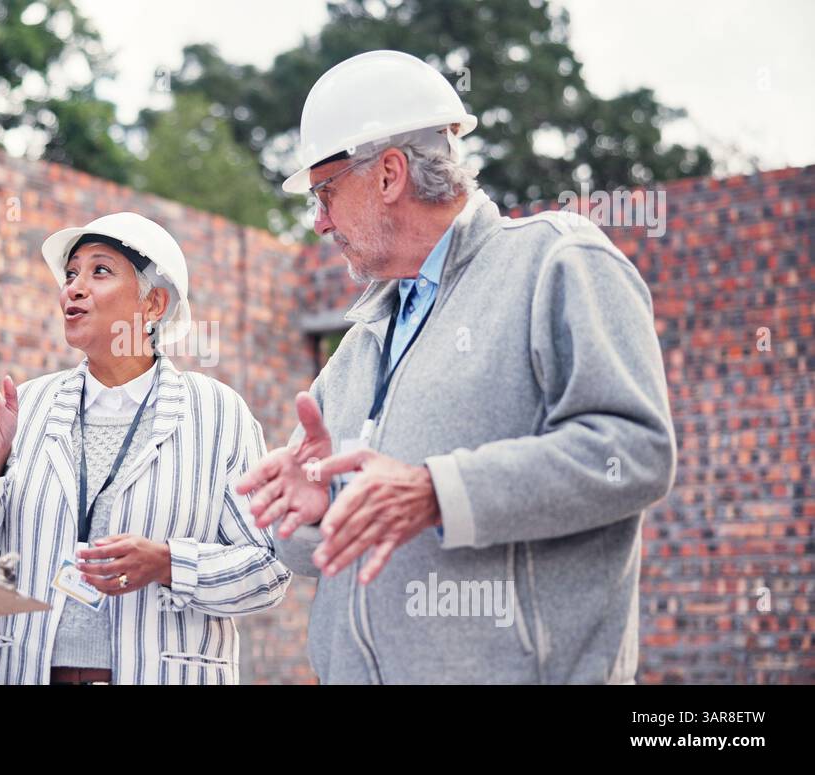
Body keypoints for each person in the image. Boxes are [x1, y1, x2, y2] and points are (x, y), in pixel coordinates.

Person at [237, 51, 676, 683]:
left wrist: (438, 492)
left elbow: (634, 451)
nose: (320, 220)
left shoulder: (557, 261)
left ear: (389, 174)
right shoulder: (362, 344)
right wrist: (313, 511)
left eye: (326, 192)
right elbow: (329, 550)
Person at [0, 212, 292, 684]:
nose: (74, 288)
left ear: (154, 304)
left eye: (99, 271)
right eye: (71, 274)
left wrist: (170, 564)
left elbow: (270, 570)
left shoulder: (218, 414)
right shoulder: (25, 407)